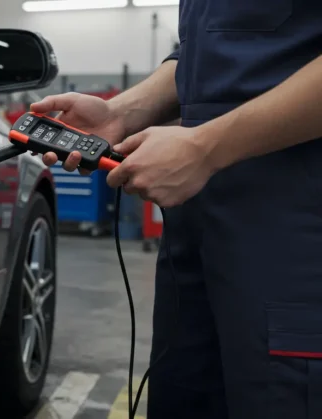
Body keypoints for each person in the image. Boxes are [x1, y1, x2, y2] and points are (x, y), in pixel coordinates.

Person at [33, 3, 322, 418]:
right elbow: (215, 49)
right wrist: (121, 111)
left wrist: (206, 147)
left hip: (297, 237)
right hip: (197, 230)